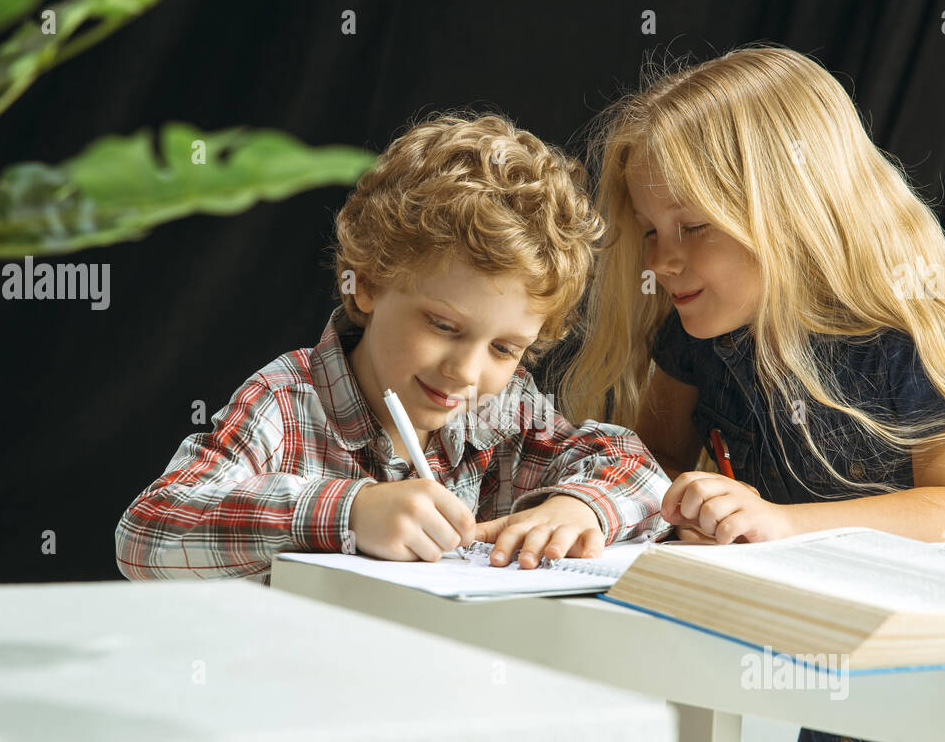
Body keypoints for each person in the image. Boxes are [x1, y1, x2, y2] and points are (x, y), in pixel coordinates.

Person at [558, 45, 945, 742]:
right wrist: (594, 507)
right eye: (652, 231)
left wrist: (779, 524)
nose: (663, 260)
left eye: (693, 227)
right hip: (850, 665)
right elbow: (641, 466)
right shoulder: (703, 343)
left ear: (791, 207)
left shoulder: (902, 330)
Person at [116, 113, 669, 584]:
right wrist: (347, 513)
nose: (465, 371)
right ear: (372, 282)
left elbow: (638, 470)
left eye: (504, 348)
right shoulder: (285, 403)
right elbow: (147, 533)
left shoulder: (506, 412)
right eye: (442, 325)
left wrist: (579, 506)